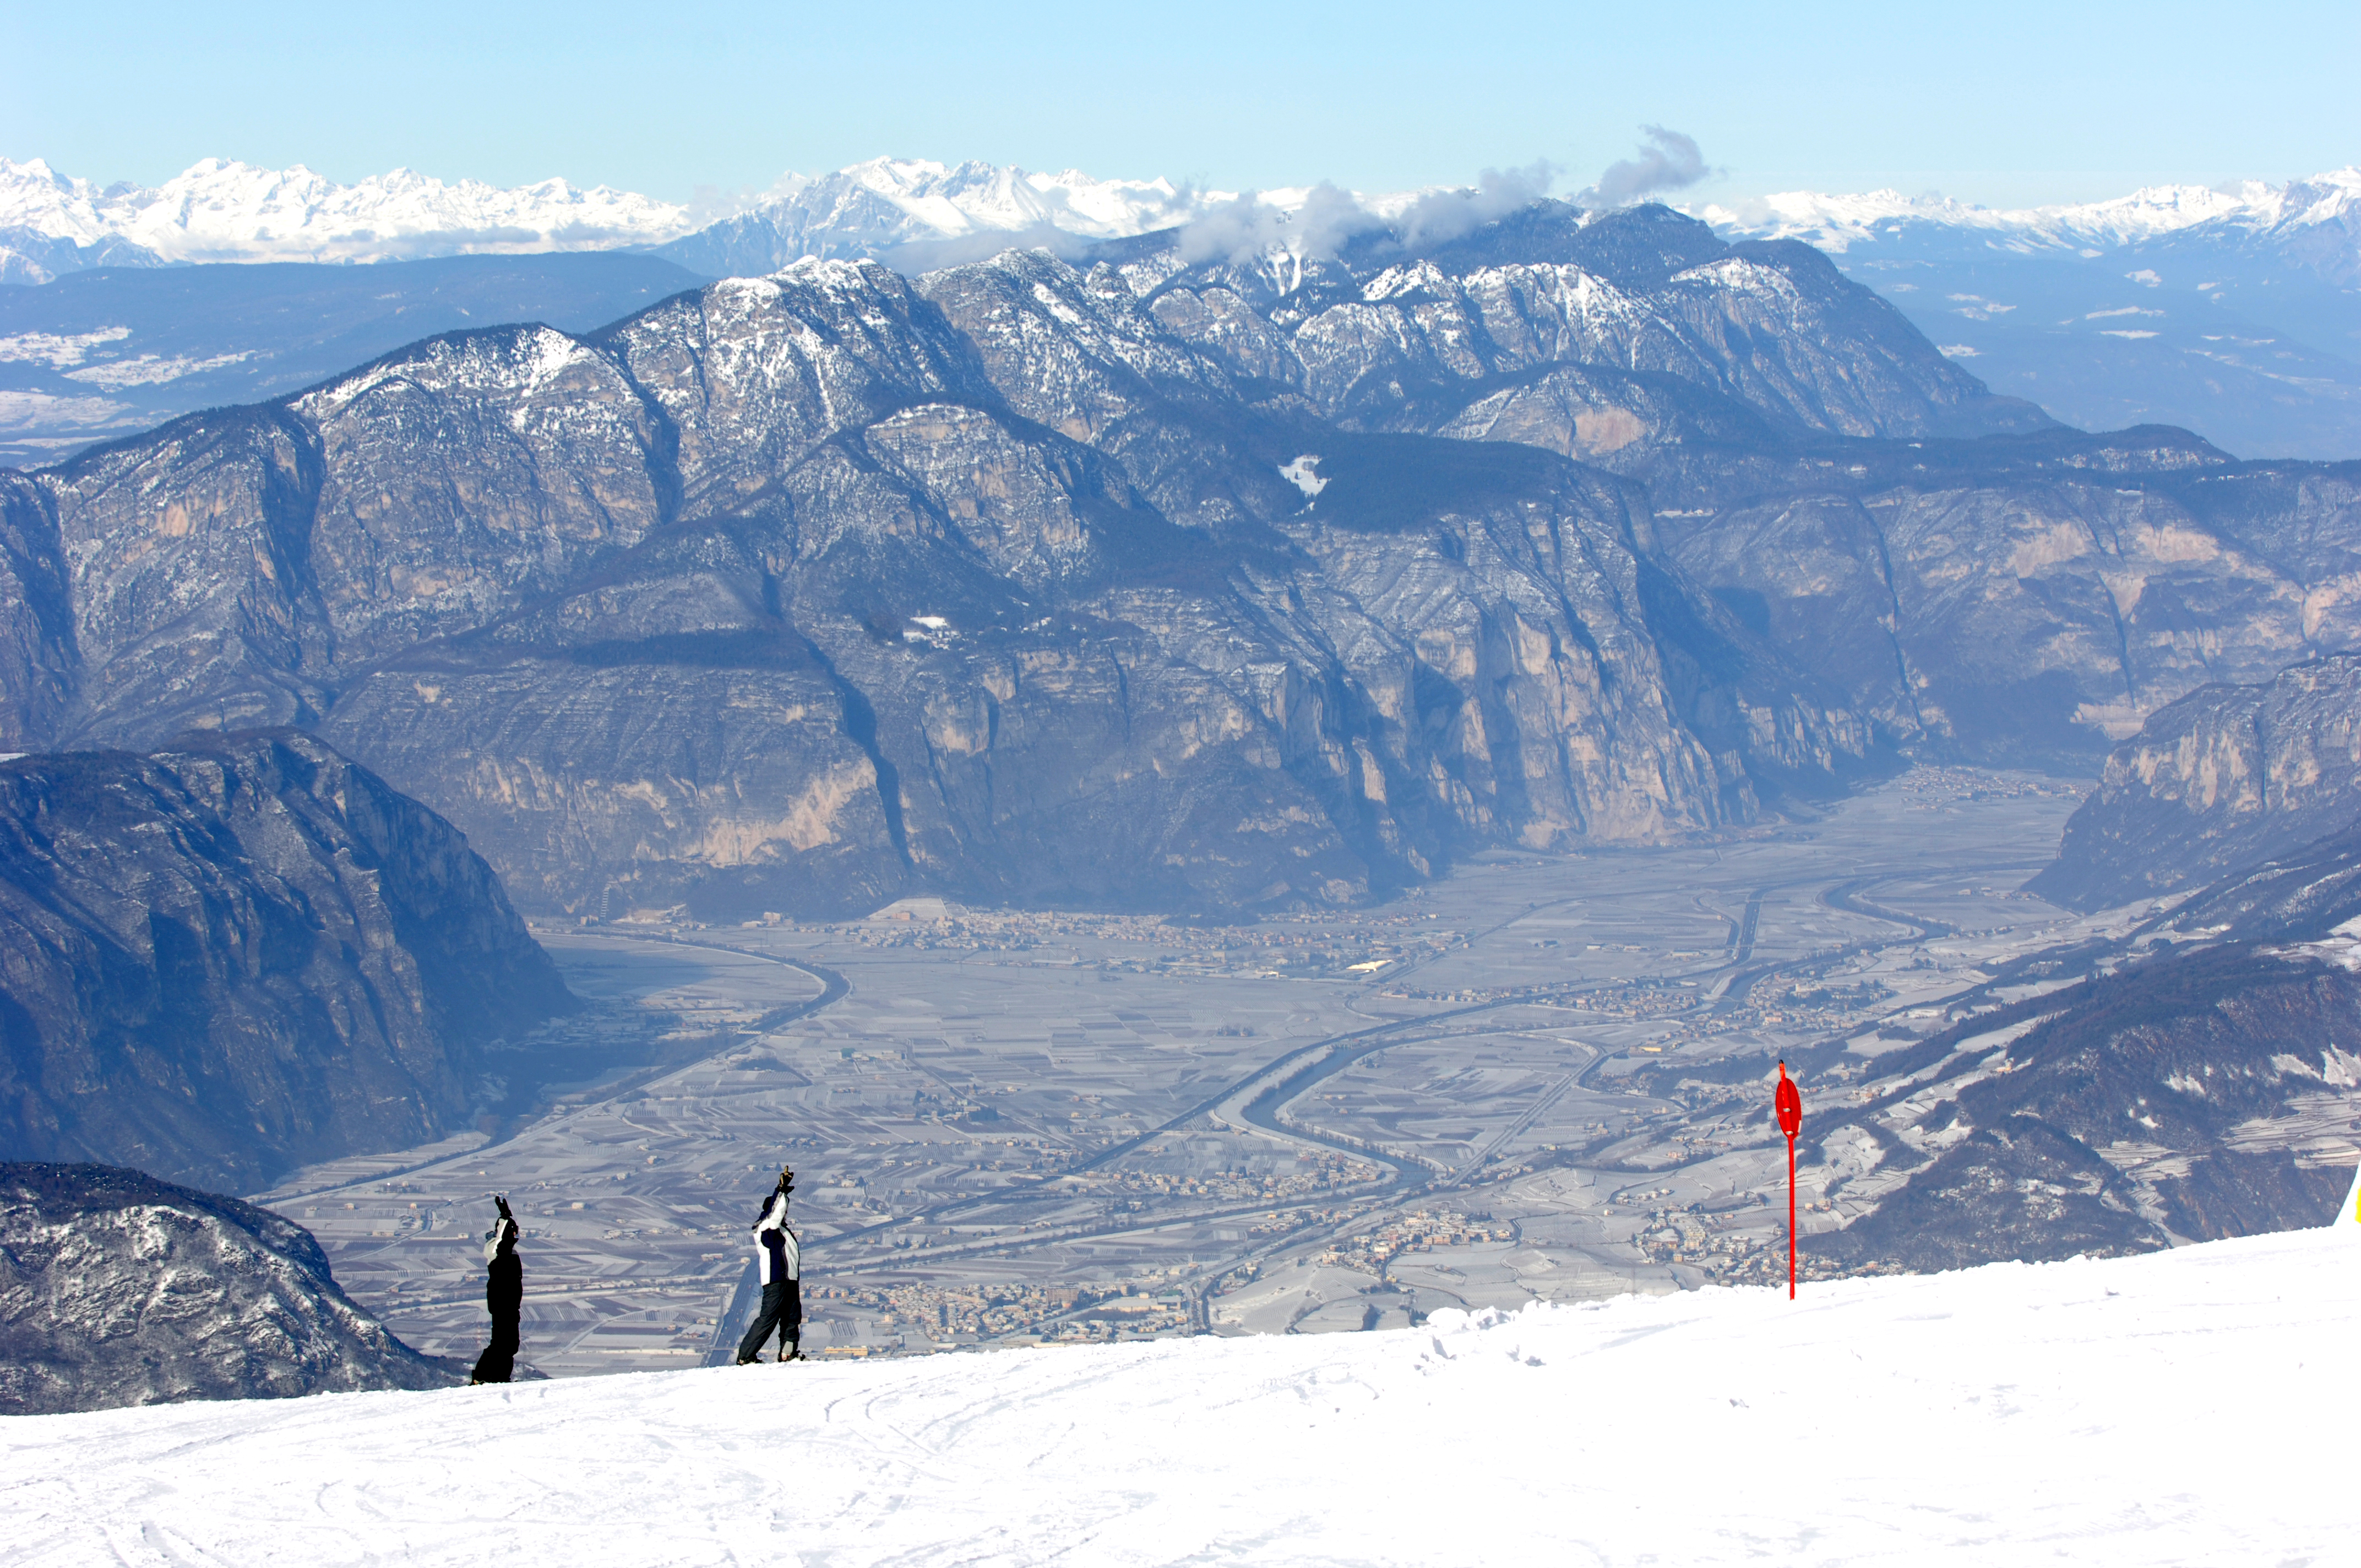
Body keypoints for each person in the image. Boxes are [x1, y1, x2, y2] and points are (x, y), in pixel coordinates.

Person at [735, 1165, 803, 1365]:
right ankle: (745, 1356)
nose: (785, 1213)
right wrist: (781, 1190)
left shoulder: (779, 1229)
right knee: (769, 1318)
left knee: (792, 1317)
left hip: (788, 1279)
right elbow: (776, 1211)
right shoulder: (766, 1226)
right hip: (776, 1280)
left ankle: (788, 1353)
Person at [470, 1195, 523, 1384]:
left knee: (508, 1343)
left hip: (508, 1303)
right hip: (503, 1302)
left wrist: (507, 1220)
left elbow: (506, 1236)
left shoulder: (502, 1253)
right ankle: (482, 1377)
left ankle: (499, 1377)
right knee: (503, 1342)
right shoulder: (498, 1251)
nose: (516, 1234)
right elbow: (504, 1236)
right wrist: (505, 1218)